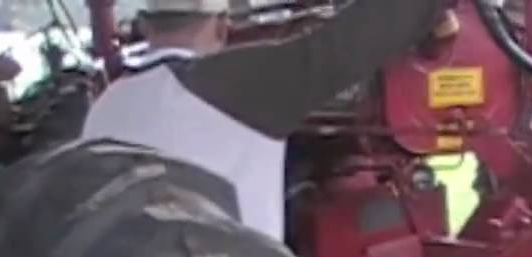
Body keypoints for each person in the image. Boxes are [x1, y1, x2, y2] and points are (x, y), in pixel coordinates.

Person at [81, 0, 441, 243]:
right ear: (222, 27)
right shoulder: (241, 84)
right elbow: (342, 47)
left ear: (144, 25)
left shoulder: (106, 106)